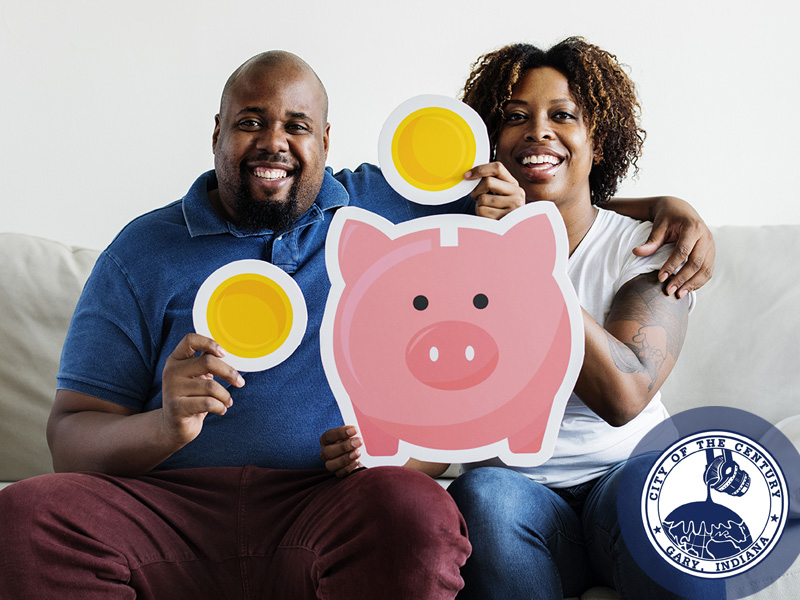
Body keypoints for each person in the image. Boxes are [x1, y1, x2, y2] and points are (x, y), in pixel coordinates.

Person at [0, 50, 712, 599]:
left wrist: (665, 208)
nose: (273, 141)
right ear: (217, 131)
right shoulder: (140, 251)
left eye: (296, 125)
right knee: (27, 517)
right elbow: (72, 437)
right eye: (250, 121)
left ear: (326, 140)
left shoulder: (396, 205)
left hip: (330, 506)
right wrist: (165, 425)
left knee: (417, 509)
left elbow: (550, 183)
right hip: (168, 508)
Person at [321, 38, 722, 599]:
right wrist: (375, 456)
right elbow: (449, 412)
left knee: (669, 510)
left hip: (627, 474)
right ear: (491, 142)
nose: (538, 131)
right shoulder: (451, 257)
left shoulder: (651, 244)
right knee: (483, 497)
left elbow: (625, 394)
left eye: (563, 116)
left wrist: (528, 270)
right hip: (517, 494)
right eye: (515, 117)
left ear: (598, 141)